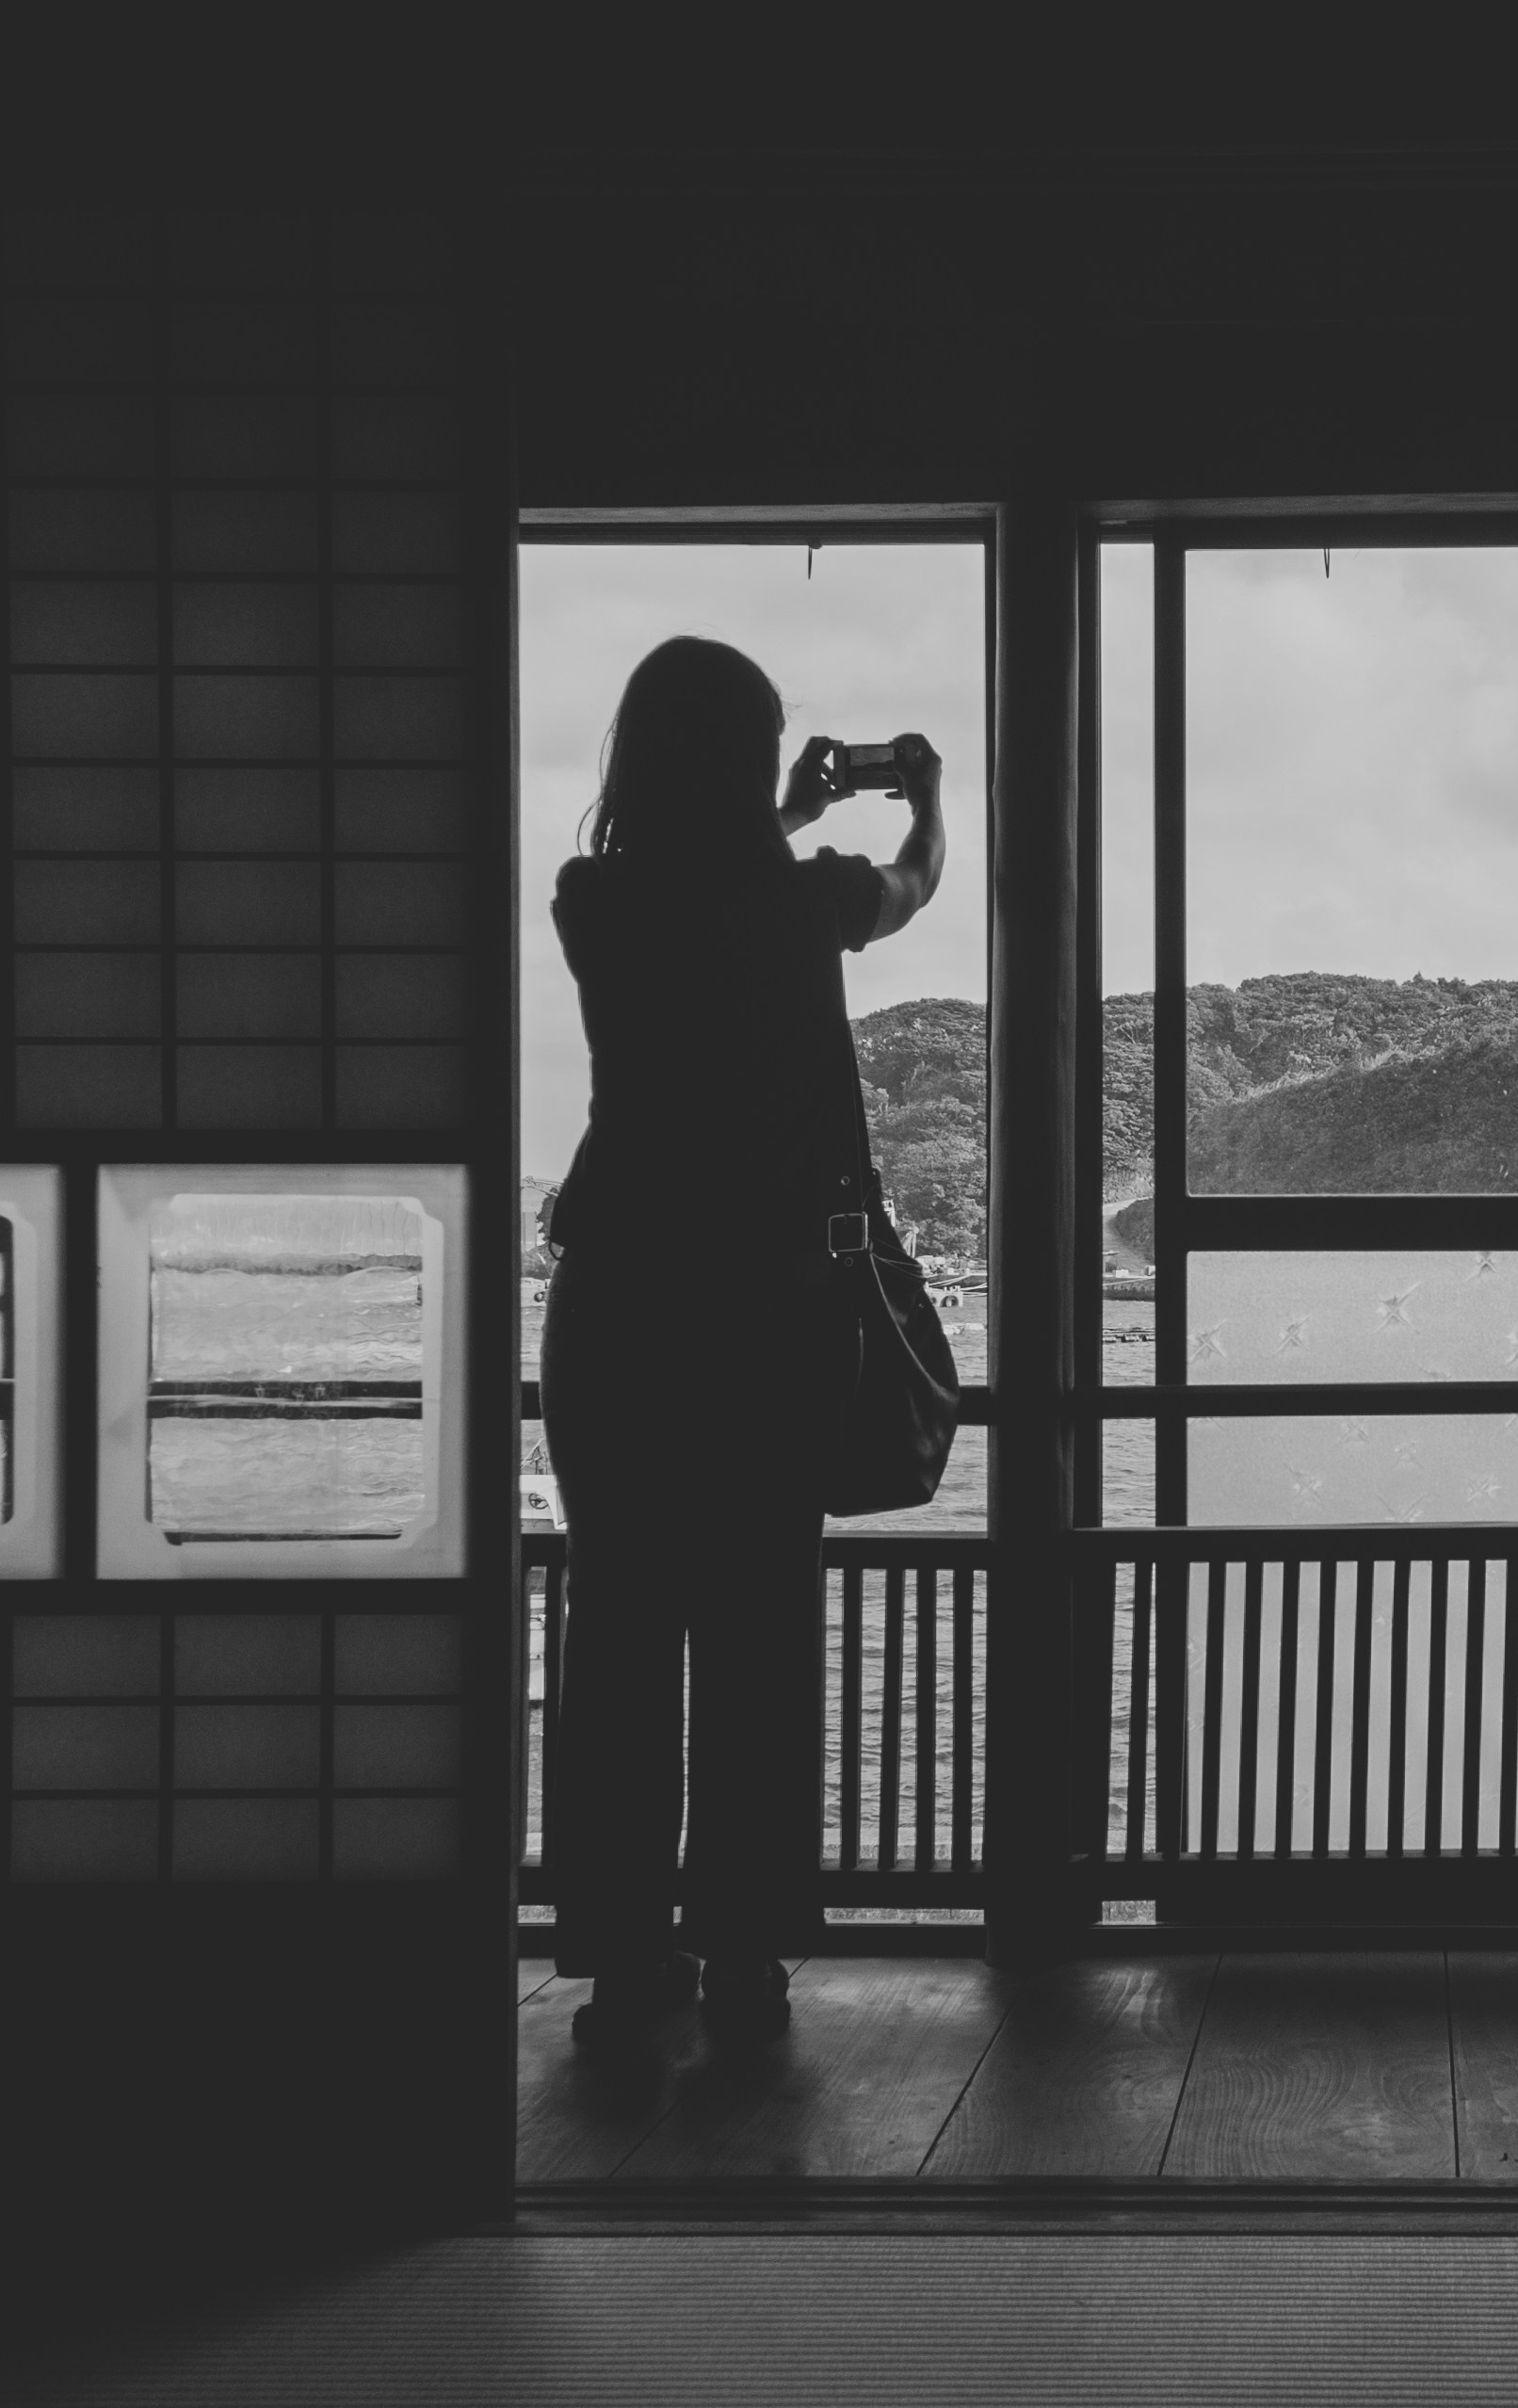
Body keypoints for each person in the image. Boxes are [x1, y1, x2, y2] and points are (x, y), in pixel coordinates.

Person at [539, 635, 946, 2048]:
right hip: (769, 1314)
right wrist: (921, 797)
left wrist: (774, 814)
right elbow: (910, 884)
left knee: (622, 1632)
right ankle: (746, 1953)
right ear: (755, 755)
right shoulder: (804, 902)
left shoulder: (591, 897)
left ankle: (616, 1957)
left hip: (616, 1311)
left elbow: (690, 891)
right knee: (761, 1637)